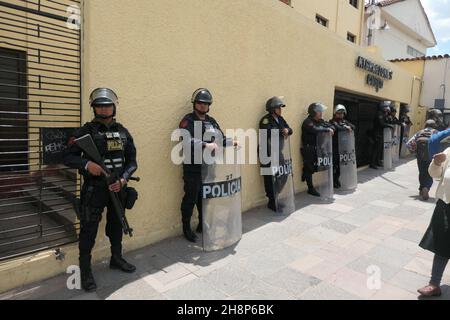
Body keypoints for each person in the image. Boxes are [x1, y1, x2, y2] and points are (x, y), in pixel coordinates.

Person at [64, 88, 138, 292]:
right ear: (94, 108)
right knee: (88, 230)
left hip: (117, 187)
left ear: (113, 107)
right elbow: (67, 157)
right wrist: (88, 165)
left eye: (107, 105)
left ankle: (116, 258)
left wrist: (123, 179)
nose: (104, 109)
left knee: (116, 225)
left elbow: (132, 161)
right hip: (94, 189)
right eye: (100, 105)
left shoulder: (123, 131)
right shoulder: (84, 131)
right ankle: (85, 271)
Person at [178, 88, 238, 242]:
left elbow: (220, 138)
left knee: (205, 197)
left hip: (209, 165)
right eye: (200, 103)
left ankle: (201, 224)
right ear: (195, 104)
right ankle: (186, 227)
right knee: (191, 197)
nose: (203, 106)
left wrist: (232, 142)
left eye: (206, 103)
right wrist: (205, 144)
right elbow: (186, 139)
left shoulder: (211, 121)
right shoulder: (188, 120)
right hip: (193, 166)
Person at [417, 148, 450, 297]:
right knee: (442, 244)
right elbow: (435, 174)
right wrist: (436, 163)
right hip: (446, 203)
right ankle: (434, 284)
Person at [259, 96, 293, 211]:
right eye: (278, 108)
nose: (280, 110)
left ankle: (275, 194)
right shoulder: (265, 120)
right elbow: (267, 131)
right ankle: (272, 201)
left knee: (284, 173)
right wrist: (281, 131)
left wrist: (287, 130)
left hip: (278, 151)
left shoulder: (281, 119)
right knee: (269, 176)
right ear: (272, 109)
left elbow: (289, 129)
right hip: (267, 152)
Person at [301, 103, 334, 197]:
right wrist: (327, 129)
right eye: (319, 111)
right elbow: (315, 129)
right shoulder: (307, 122)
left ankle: (305, 170)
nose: (321, 113)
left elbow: (331, 126)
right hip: (309, 148)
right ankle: (310, 188)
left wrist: (329, 128)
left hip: (318, 148)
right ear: (313, 112)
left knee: (316, 166)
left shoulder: (320, 121)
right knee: (310, 168)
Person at [406, 120, 438, 201]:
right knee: (430, 173)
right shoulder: (436, 132)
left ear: (425, 125)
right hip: (432, 156)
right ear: (434, 126)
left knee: (422, 172)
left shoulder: (419, 132)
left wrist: (413, 151)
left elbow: (408, 143)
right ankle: (426, 188)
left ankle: (421, 188)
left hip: (420, 156)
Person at [329, 104, 355, 189]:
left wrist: (346, 126)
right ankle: (333, 181)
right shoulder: (332, 121)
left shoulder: (344, 121)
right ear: (335, 113)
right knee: (334, 165)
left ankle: (337, 179)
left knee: (341, 165)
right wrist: (346, 127)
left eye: (342, 113)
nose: (341, 115)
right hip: (335, 147)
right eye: (339, 113)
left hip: (344, 148)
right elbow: (337, 128)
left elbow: (353, 126)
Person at [369, 101, 394, 170]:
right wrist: (389, 125)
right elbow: (381, 124)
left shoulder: (383, 114)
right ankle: (372, 163)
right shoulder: (379, 114)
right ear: (382, 107)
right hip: (377, 134)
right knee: (375, 149)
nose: (387, 108)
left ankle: (377, 162)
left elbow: (387, 121)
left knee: (379, 149)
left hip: (380, 134)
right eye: (386, 107)